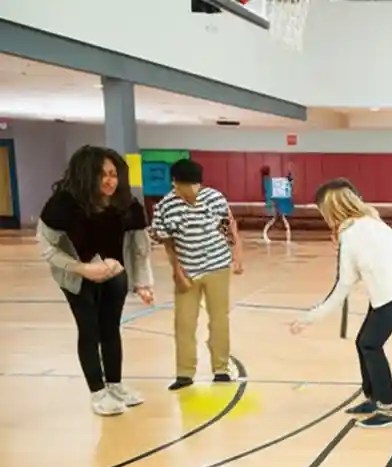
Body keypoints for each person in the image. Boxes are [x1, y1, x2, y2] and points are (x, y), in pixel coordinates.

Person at [290, 178, 392, 429]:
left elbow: (342, 287)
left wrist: (309, 317)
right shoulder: (371, 223)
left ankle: (388, 408)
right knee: (364, 342)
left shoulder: (352, 234)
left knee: (371, 345)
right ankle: (373, 398)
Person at [36, 145, 154, 416]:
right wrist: (81, 269)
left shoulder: (127, 203)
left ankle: (115, 385)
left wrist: (142, 282)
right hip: (77, 277)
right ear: (86, 175)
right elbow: (47, 247)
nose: (109, 180)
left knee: (111, 329)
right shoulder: (62, 205)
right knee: (89, 329)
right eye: (102, 174)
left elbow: (139, 246)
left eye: (113, 174)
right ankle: (97, 392)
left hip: (114, 274)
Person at [148, 158, 244, 390]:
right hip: (187, 270)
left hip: (217, 266)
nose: (192, 191)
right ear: (175, 184)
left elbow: (227, 226)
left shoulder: (214, 198)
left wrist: (237, 253)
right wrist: (176, 271)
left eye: (196, 186)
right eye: (187, 186)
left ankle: (220, 368)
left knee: (219, 319)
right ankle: (184, 373)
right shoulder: (165, 207)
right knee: (184, 322)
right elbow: (168, 243)